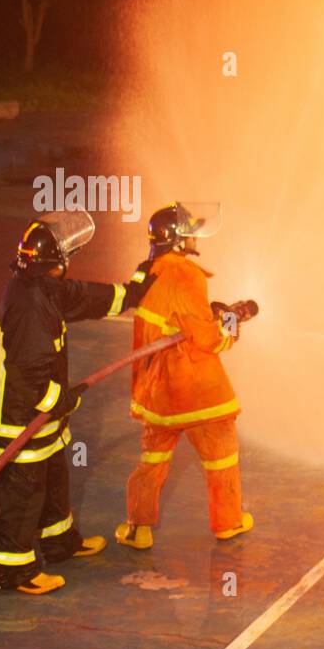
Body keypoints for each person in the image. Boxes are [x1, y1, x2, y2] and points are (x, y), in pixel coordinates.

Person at [0, 210, 155, 594]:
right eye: (66, 256)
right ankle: (15, 572)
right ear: (53, 262)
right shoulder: (30, 307)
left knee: (52, 481)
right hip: (21, 419)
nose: (70, 262)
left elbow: (84, 296)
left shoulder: (42, 287)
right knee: (23, 493)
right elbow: (27, 375)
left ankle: (59, 543)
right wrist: (58, 400)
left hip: (42, 416)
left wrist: (131, 292)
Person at [115, 202, 253, 549]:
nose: (195, 238)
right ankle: (228, 523)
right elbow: (208, 340)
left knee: (152, 461)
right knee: (222, 458)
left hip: (157, 393)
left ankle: (138, 528)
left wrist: (209, 314)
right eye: (189, 232)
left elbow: (175, 319)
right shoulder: (186, 273)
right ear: (176, 240)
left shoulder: (149, 271)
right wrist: (232, 323)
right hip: (198, 391)